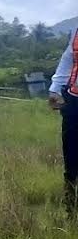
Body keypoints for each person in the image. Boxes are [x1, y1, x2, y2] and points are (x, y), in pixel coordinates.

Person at [49, 24, 77, 216]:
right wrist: (55, 87)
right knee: (72, 152)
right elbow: (69, 58)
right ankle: (71, 207)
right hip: (74, 100)